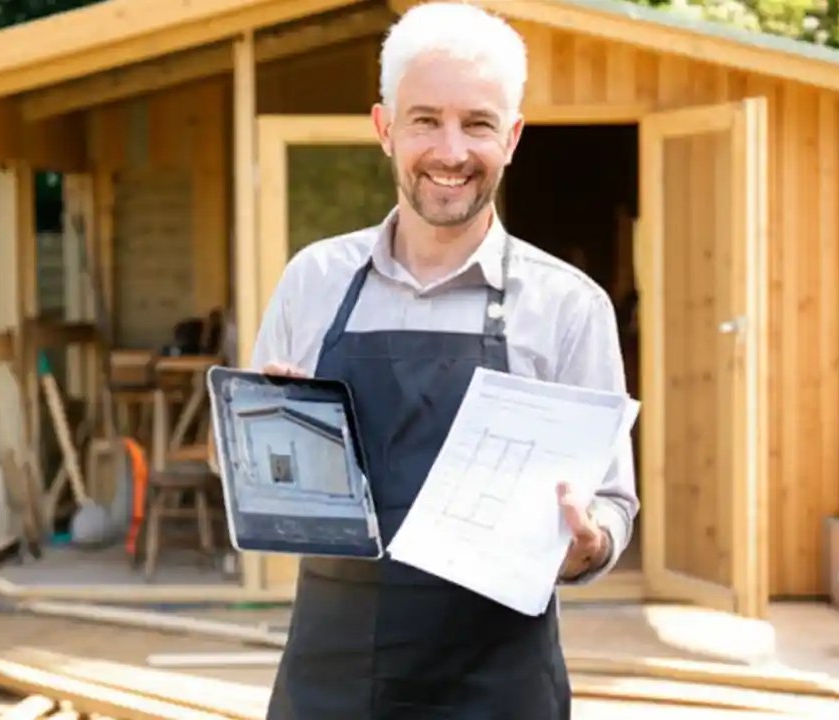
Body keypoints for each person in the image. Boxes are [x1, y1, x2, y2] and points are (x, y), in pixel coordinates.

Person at [251, 3, 639, 717]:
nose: (452, 151)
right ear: (385, 128)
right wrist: (267, 445)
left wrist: (586, 545)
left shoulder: (568, 306)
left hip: (499, 683)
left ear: (513, 137)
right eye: (426, 119)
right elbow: (244, 467)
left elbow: (612, 502)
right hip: (332, 679)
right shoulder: (315, 281)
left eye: (479, 123)